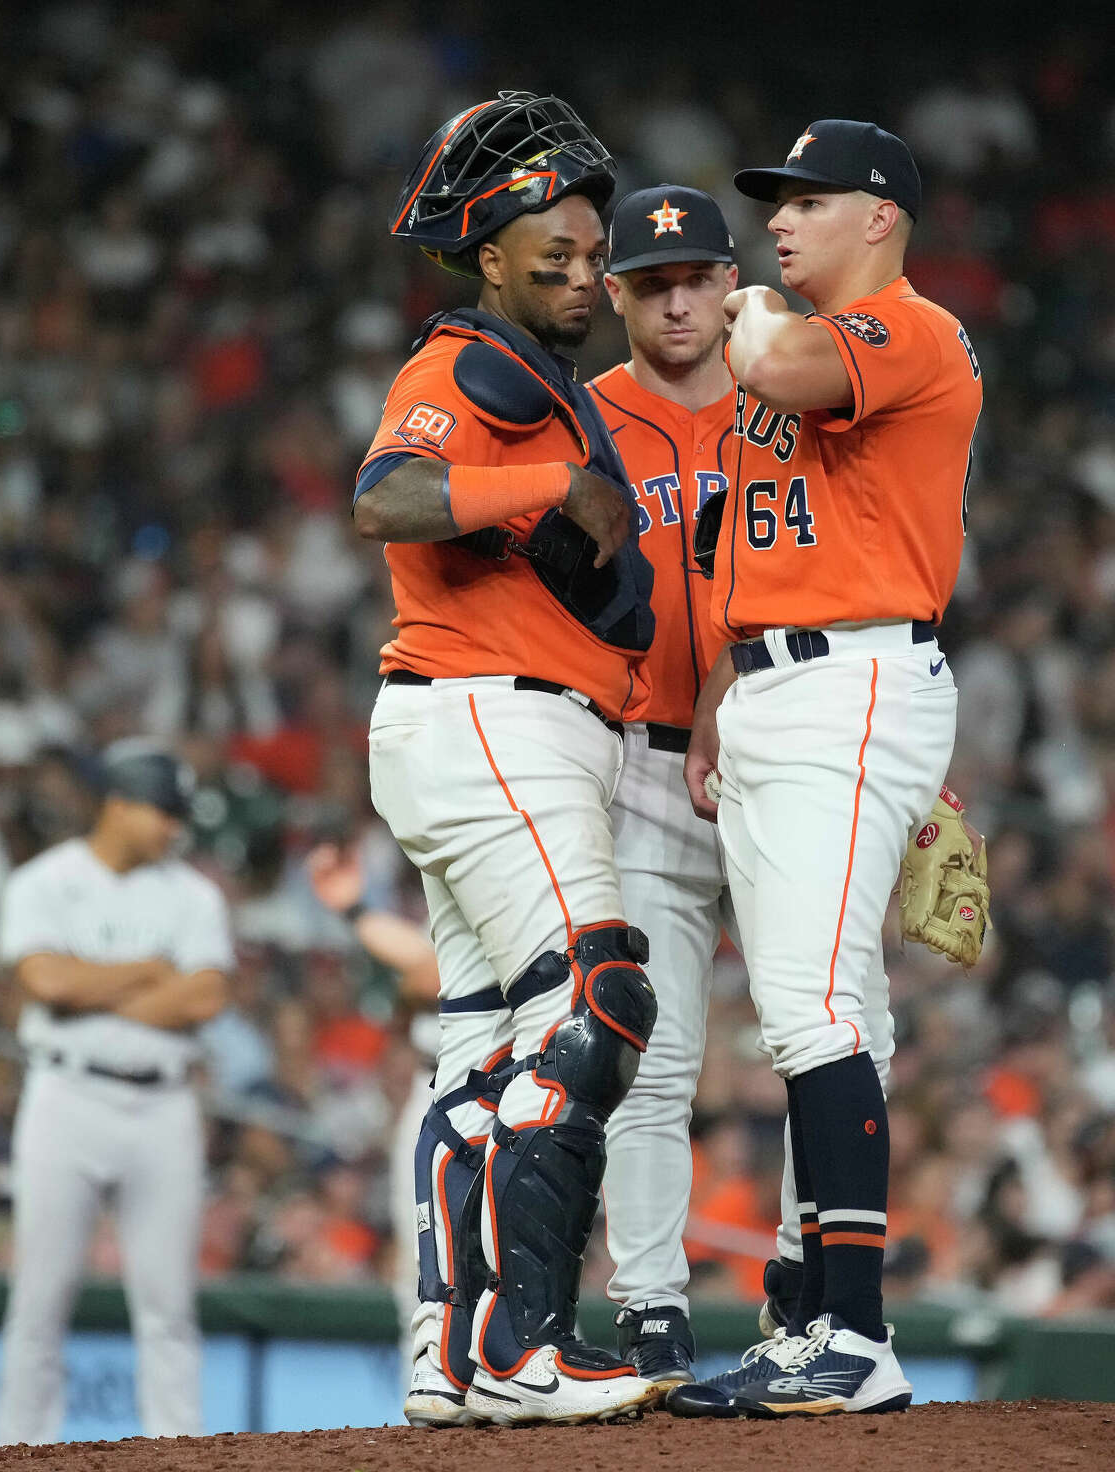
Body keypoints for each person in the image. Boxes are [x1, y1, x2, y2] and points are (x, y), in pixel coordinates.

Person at [353, 91, 660, 1427]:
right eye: (561, 252)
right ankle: (527, 1347)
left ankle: (452, 1352)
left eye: (598, 255)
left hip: (482, 721)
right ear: (489, 251)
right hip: (493, 714)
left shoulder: (537, 378)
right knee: (599, 1007)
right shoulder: (466, 362)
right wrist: (538, 488)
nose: (587, 274)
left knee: (485, 1054)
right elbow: (387, 495)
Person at [668, 120, 983, 1418]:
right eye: (776, 202)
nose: (781, 219)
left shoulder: (908, 329)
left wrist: (741, 308)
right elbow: (733, 553)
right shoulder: (781, 366)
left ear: (882, 218)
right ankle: (812, 1309)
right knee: (832, 1002)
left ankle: (851, 1335)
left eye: (809, 200)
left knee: (813, 1014)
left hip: (855, 678)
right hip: (779, 687)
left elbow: (782, 359)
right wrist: (711, 705)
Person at [587, 185, 739, 1384]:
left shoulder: (791, 403)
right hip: (643, 757)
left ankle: (815, 1289)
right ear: (618, 293)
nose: (677, 296)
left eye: (696, 275)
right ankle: (649, 1302)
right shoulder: (581, 421)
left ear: (732, 283)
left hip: (782, 739)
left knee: (821, 1035)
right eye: (652, 279)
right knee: (657, 1048)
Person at [0, 741, 233, 1445]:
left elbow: (204, 997)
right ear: (118, 803)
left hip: (163, 1106)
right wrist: (150, 972)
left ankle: (177, 1448)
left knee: (168, 1304)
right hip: (64, 1096)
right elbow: (46, 984)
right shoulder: (44, 881)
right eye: (162, 811)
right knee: (39, 1298)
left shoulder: (194, 893)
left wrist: (94, 986)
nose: (172, 827)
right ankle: (17, 1451)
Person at [304, 838, 440, 1377]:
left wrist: (357, 913)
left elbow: (428, 973)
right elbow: (422, 963)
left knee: (507, 1253)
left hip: (505, 1091)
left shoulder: (521, 900)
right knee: (419, 1253)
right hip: (435, 1089)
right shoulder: (444, 912)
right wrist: (356, 911)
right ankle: (428, 1379)